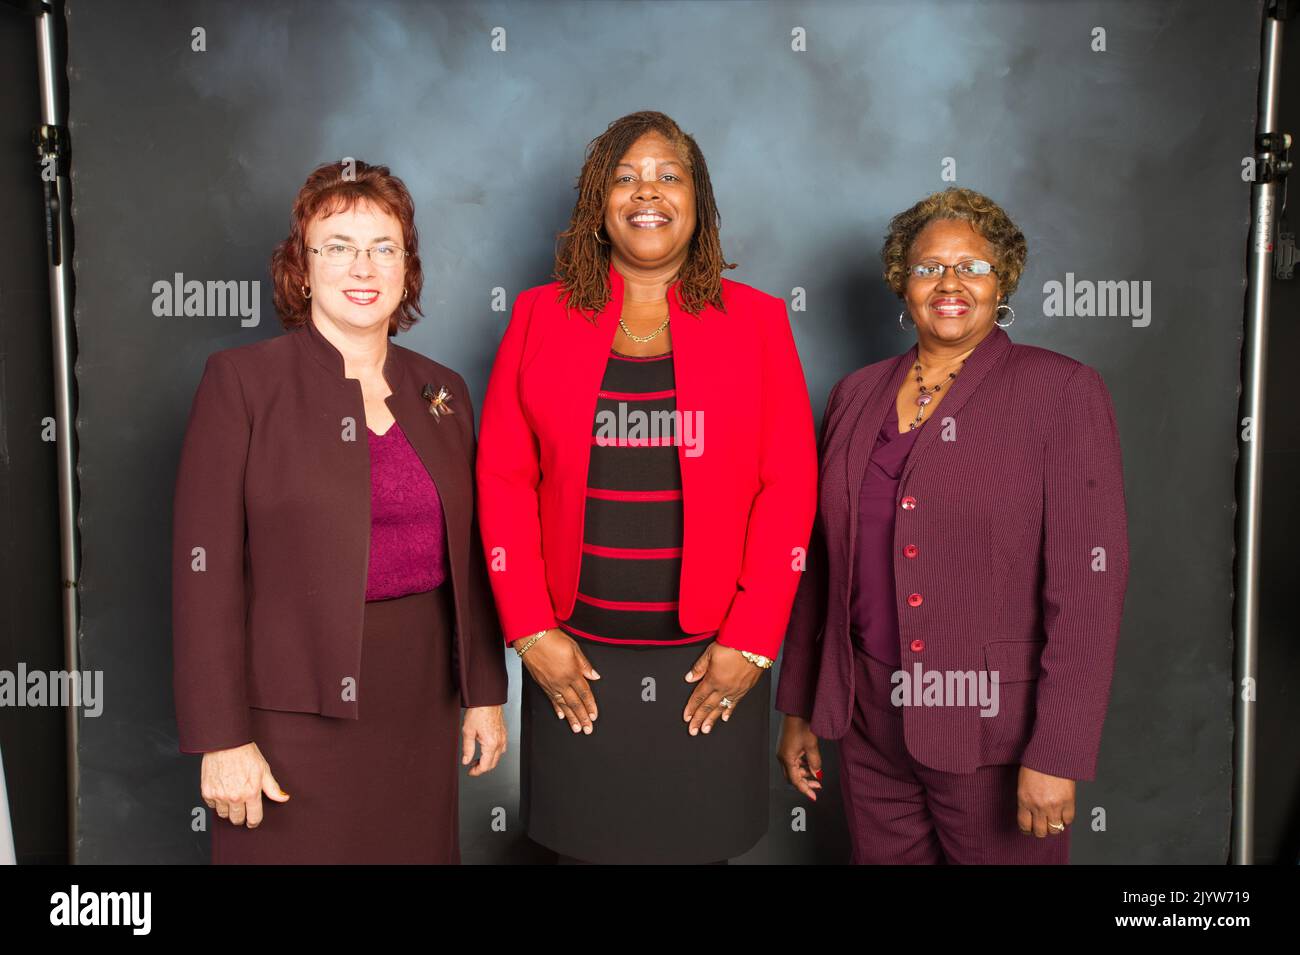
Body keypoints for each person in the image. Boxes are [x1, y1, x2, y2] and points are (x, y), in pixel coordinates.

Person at [476, 111, 817, 863]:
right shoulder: (538, 316)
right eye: (625, 177)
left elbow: (789, 486)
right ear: (599, 203)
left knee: (697, 849)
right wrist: (531, 631)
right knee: (582, 848)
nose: (646, 192)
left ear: (699, 201)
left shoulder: (757, 321)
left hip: (712, 659)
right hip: (574, 655)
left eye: (669, 175)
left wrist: (753, 644)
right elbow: (502, 478)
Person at [776, 186, 1129, 864]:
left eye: (972, 266)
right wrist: (800, 707)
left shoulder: (1060, 393)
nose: (949, 283)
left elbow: (1088, 591)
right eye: (928, 266)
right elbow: (820, 565)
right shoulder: (856, 394)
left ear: (1004, 281)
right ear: (900, 283)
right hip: (867, 720)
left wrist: (1058, 752)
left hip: (992, 732)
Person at [171, 159, 506, 864]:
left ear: (406, 268)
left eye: (384, 247)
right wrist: (221, 737)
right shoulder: (242, 383)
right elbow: (204, 576)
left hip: (421, 703)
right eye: (338, 246)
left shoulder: (442, 391)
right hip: (288, 715)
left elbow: (472, 555)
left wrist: (483, 691)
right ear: (301, 267)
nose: (364, 266)